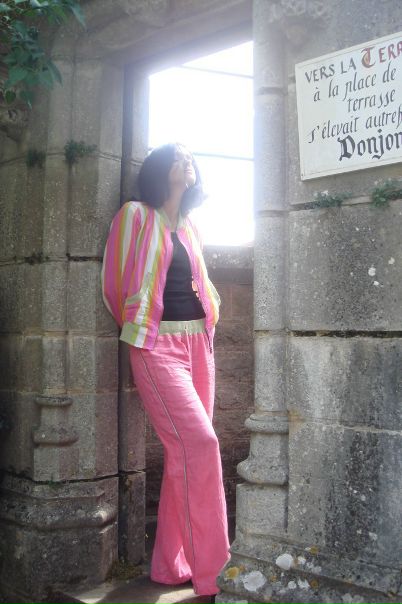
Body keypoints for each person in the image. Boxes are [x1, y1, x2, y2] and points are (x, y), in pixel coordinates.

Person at [101, 142, 231, 599]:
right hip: (157, 346)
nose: (186, 161)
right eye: (177, 156)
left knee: (184, 454)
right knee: (202, 444)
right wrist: (139, 324)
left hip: (200, 344)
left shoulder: (191, 227)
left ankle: (170, 566)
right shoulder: (136, 216)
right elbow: (116, 282)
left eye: (190, 157)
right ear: (159, 169)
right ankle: (215, 573)